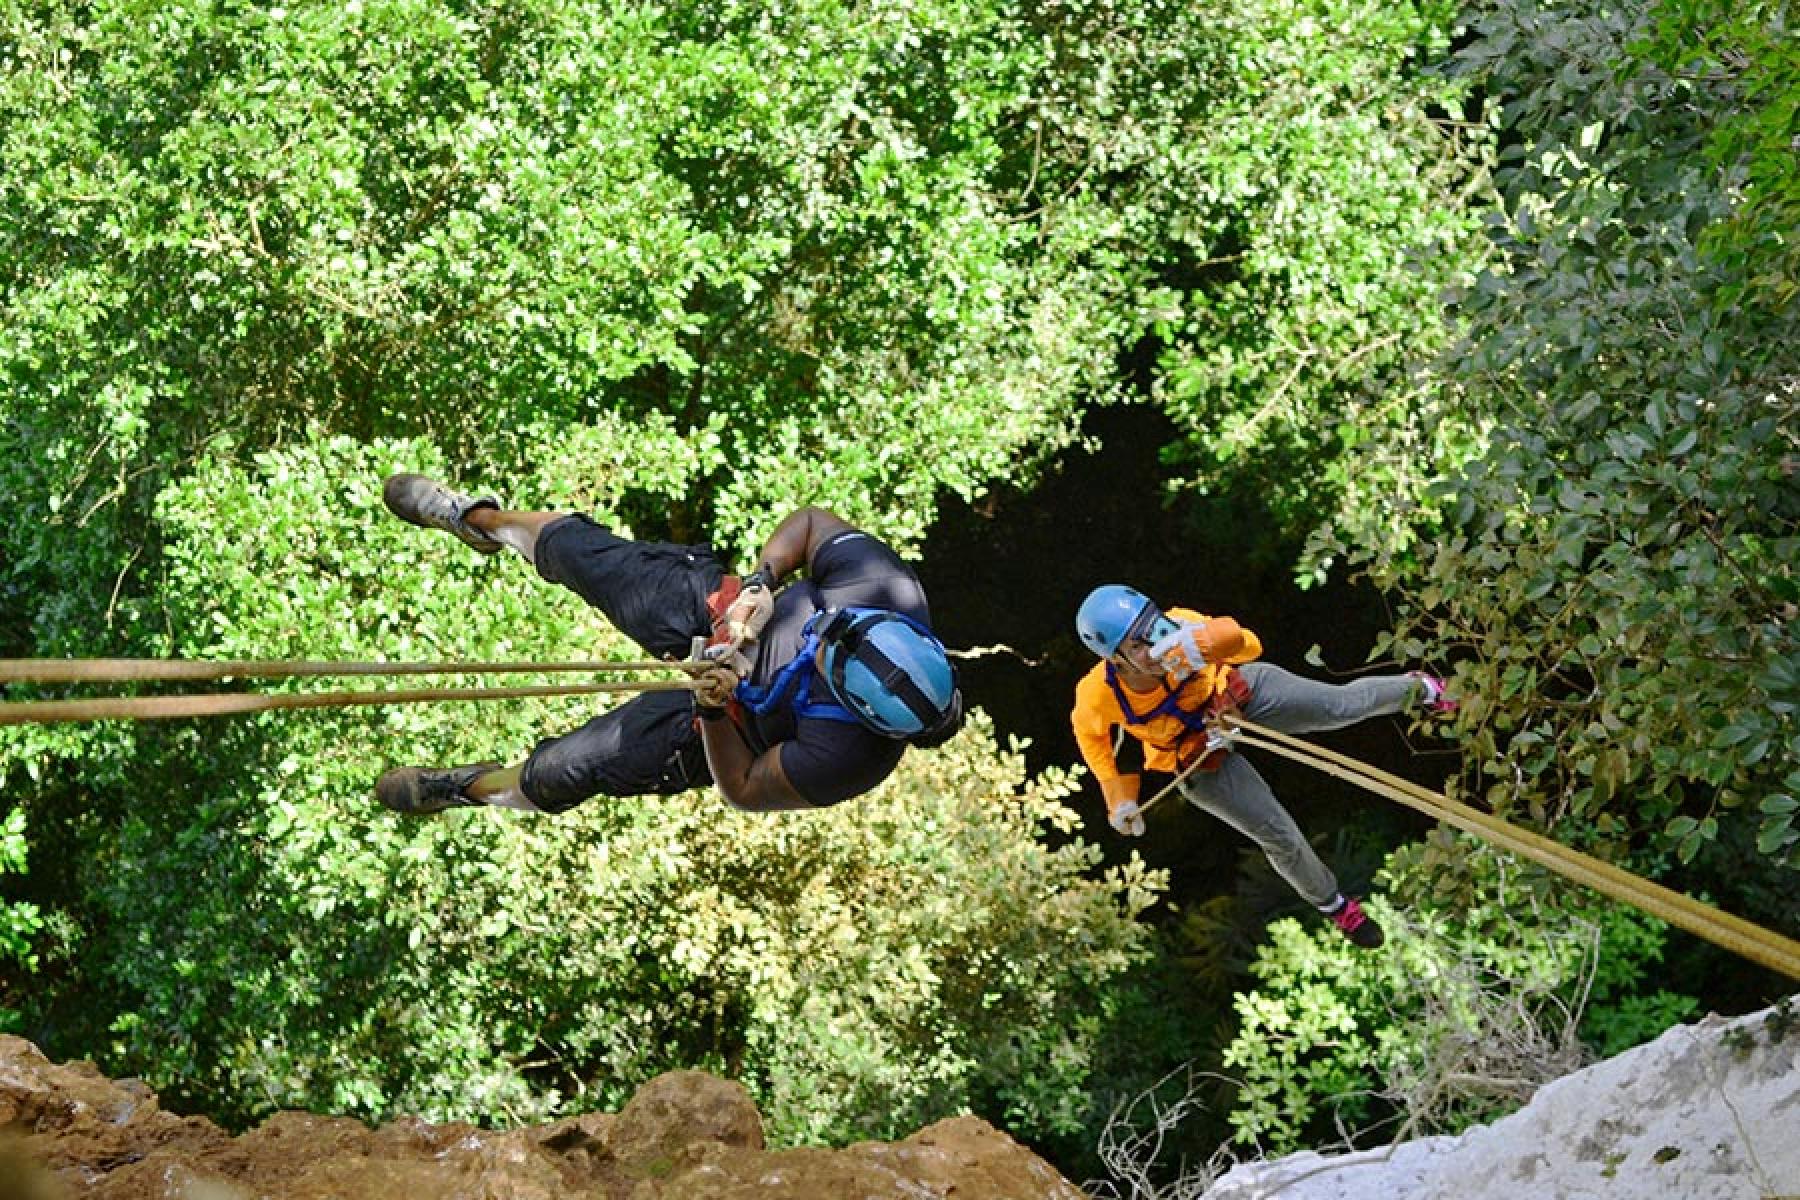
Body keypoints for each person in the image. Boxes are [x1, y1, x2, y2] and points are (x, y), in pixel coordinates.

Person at [373, 475, 964, 816]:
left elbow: (743, 788)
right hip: (718, 609)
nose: (820, 635)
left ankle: (466, 789)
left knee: (565, 769)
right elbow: (809, 523)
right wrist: (762, 583)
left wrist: (711, 706)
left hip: (719, 725)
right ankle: (478, 520)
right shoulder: (886, 589)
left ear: (854, 707)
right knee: (584, 555)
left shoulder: (849, 759)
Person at [1069, 584, 1455, 948]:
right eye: (1137, 645)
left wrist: (1207, 641)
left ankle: (1423, 689)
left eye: (1153, 626)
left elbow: (1251, 647)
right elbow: (1090, 737)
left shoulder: (1181, 625)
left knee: (1339, 706)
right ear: (1114, 658)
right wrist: (1117, 798)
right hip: (1195, 752)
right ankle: (1334, 906)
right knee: (1275, 833)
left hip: (1237, 694)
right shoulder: (1096, 695)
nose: (1153, 647)